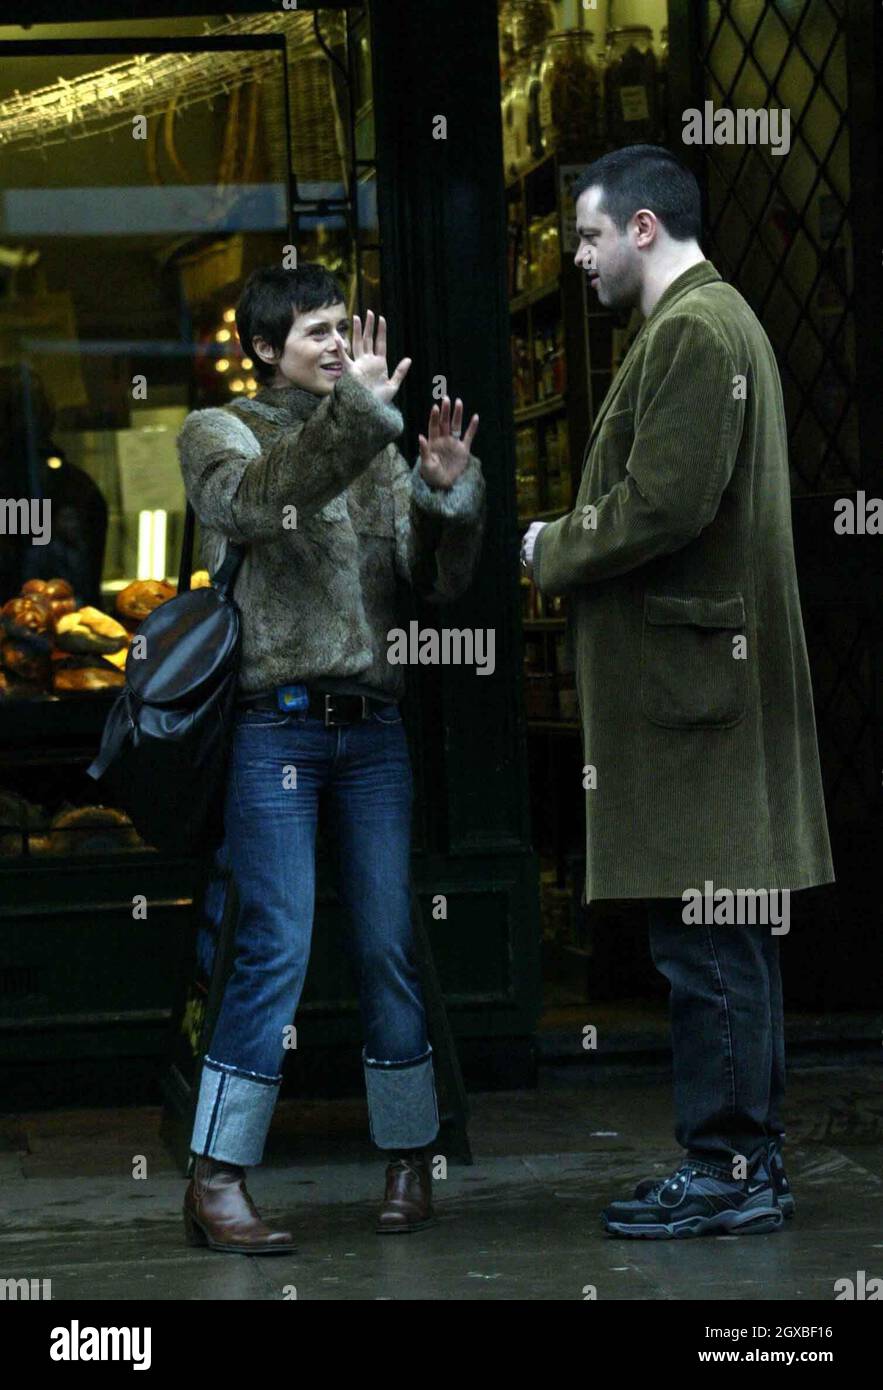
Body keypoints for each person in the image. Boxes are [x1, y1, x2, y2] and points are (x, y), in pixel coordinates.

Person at [522, 145, 834, 1239]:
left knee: (709, 944)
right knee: (713, 941)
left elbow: (662, 504)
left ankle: (736, 1169)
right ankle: (733, 1163)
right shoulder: (704, 325)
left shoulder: (697, 332)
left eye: (590, 237)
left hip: (697, 703)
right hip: (694, 696)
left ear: (642, 228)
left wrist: (547, 546)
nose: (578, 258)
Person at [176, 263, 485, 1253]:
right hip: (279, 725)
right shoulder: (220, 430)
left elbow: (427, 585)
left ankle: (406, 1159)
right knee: (274, 942)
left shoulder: (373, 434)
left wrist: (445, 503)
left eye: (341, 329)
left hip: (371, 730)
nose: (336, 347)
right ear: (266, 347)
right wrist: (361, 420)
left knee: (389, 943)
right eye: (315, 331)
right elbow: (259, 506)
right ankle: (216, 1177)